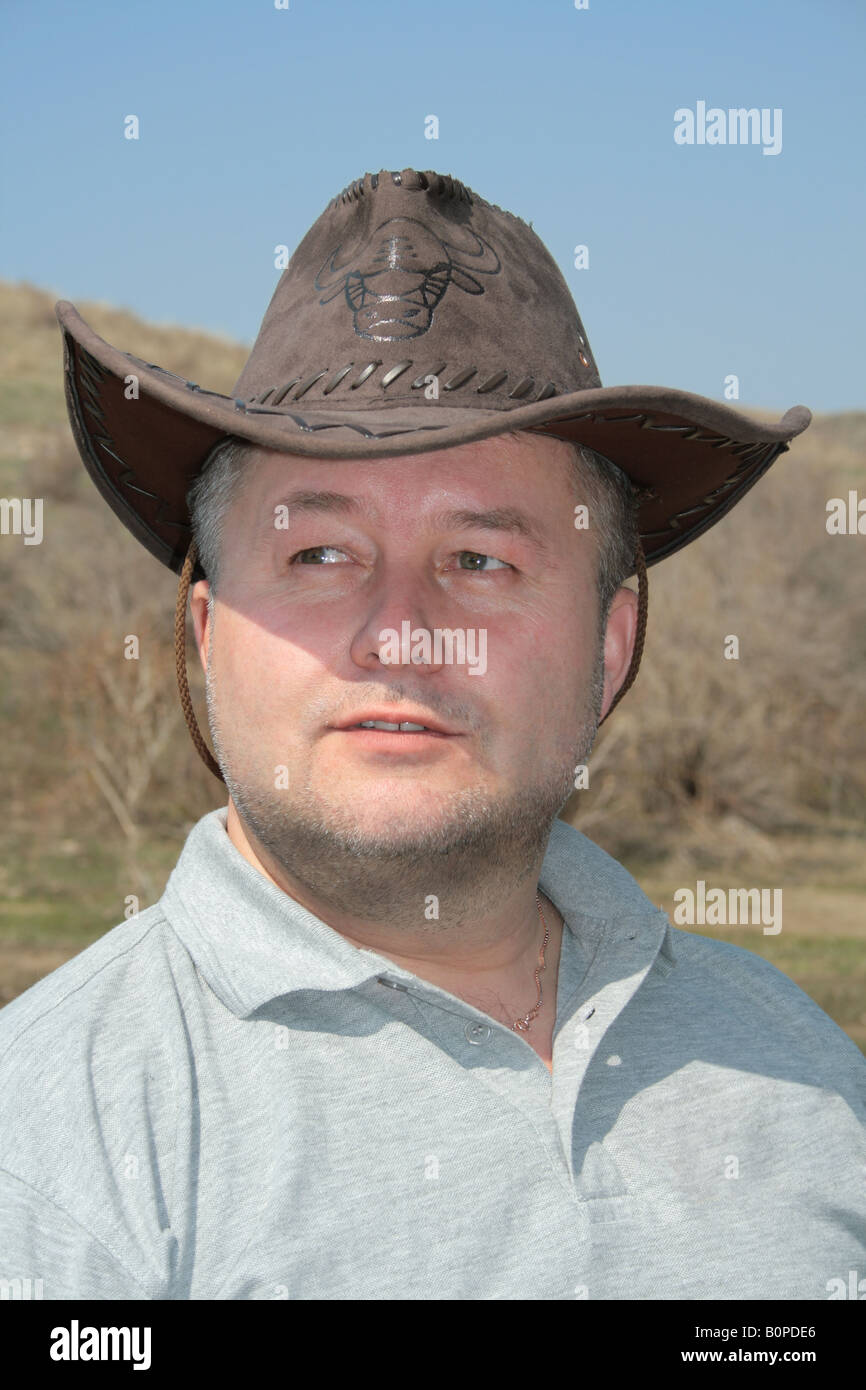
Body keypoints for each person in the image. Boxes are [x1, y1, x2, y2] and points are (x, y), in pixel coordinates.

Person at [1, 168, 863, 1301]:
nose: (400, 634)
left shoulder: (802, 1072)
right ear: (208, 638)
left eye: (479, 560)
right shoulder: (50, 1155)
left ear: (608, 648)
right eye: (317, 555)